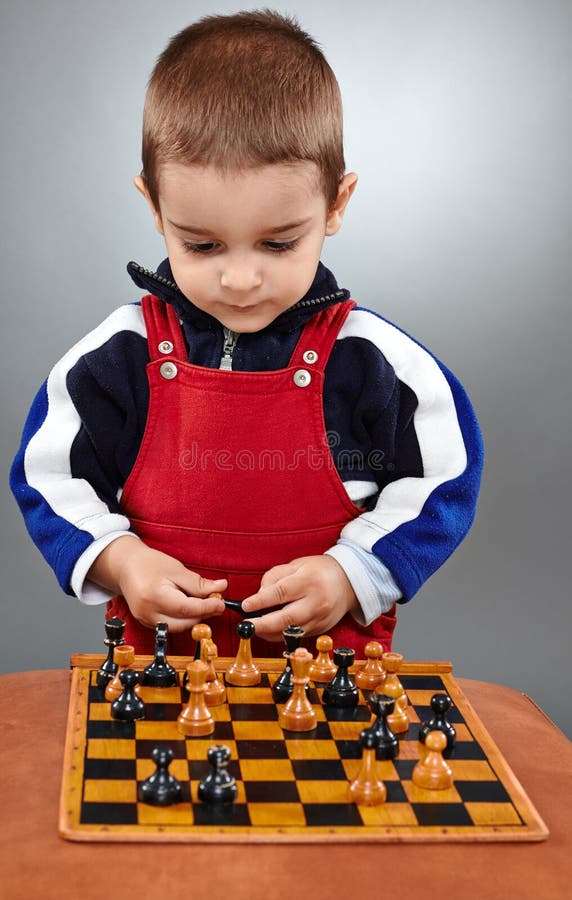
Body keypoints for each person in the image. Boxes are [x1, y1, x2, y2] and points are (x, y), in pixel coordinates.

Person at [10, 10, 483, 658]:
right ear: (154, 206)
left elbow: (444, 480)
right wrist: (120, 561)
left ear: (336, 204)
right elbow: (48, 477)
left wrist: (354, 572)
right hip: (162, 679)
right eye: (201, 244)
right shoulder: (121, 357)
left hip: (326, 677)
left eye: (278, 242)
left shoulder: (371, 361)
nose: (239, 279)